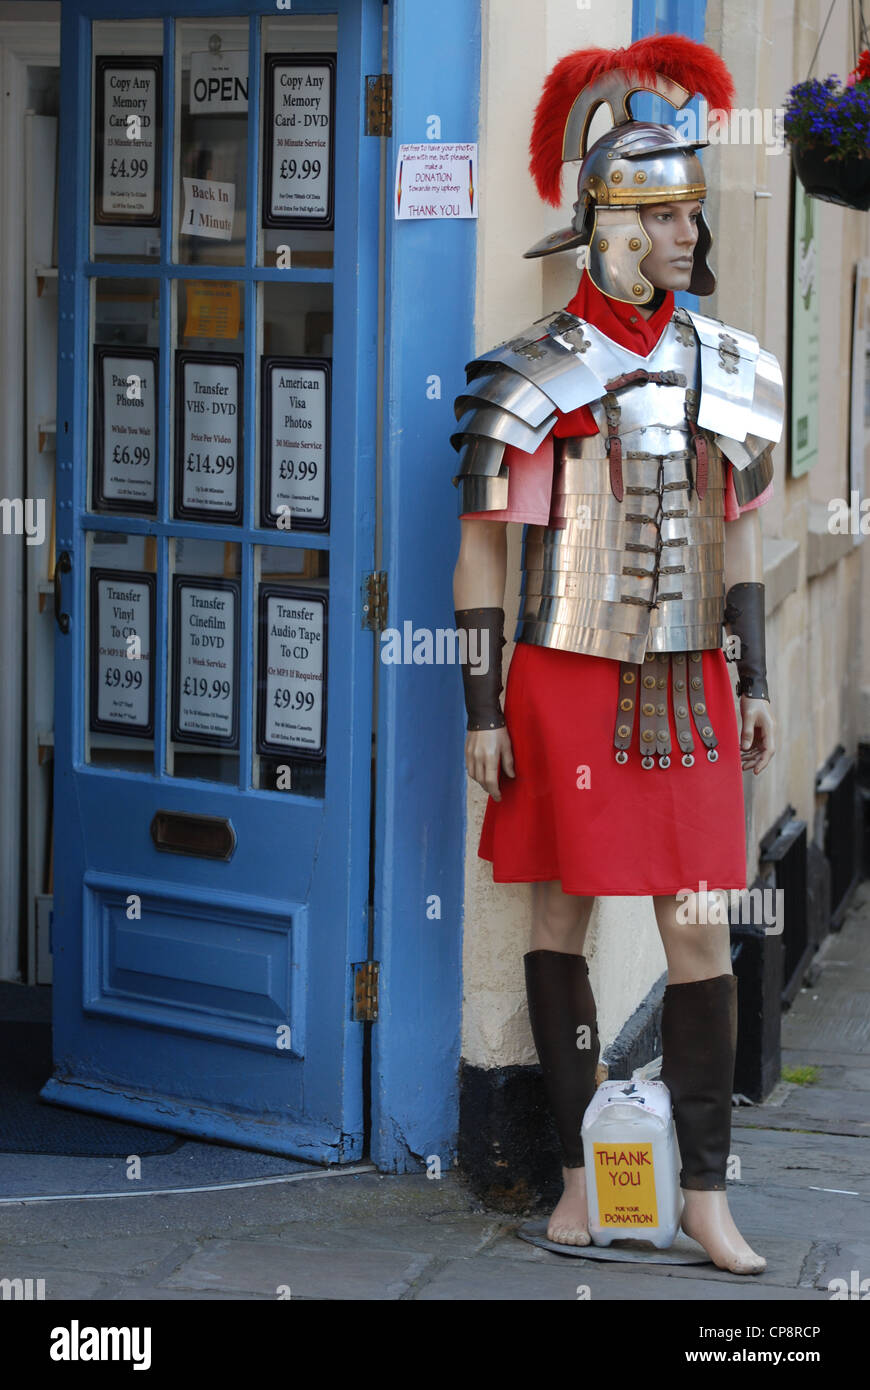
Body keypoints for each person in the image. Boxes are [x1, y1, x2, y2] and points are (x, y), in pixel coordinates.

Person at [450, 35, 783, 1276]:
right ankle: (584, 1180)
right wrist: (482, 709)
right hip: (565, 682)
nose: (691, 235)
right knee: (560, 917)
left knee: (699, 932)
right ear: (610, 225)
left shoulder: (726, 365)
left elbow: (738, 543)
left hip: (689, 683)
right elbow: (482, 560)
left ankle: (704, 1192)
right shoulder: (535, 379)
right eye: (667, 212)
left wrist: (754, 678)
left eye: (695, 211)